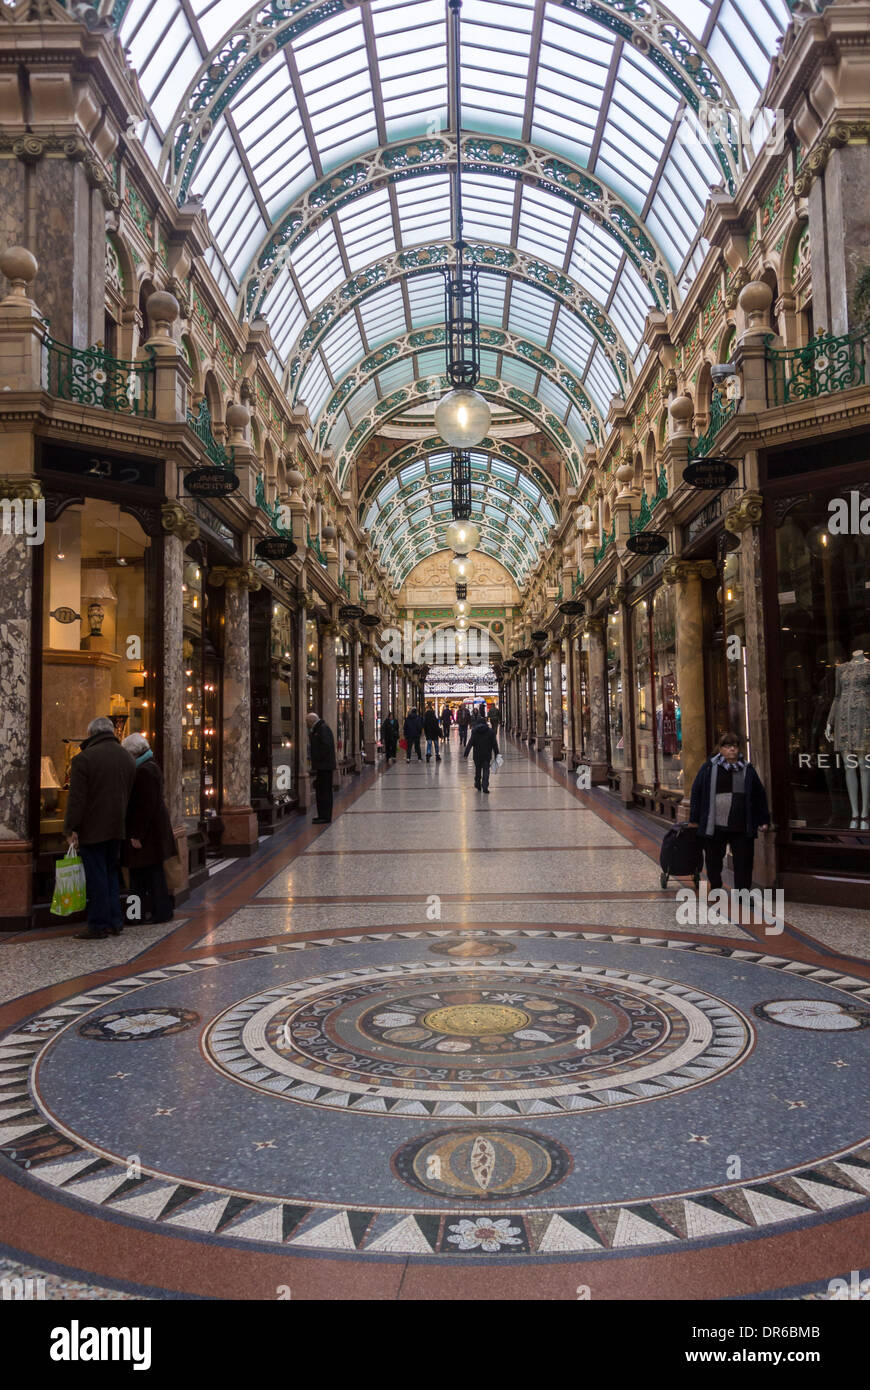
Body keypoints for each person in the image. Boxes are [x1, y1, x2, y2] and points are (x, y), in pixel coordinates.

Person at [63, 715, 136, 940]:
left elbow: (76, 799)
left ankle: (97, 925)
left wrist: (70, 828)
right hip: (116, 827)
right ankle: (115, 921)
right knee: (111, 874)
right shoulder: (127, 757)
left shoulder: (84, 759)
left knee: (96, 878)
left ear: (92, 734)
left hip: (92, 829)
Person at [689, 731, 770, 891]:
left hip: (741, 824)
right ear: (720, 749)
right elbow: (696, 792)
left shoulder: (747, 769)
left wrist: (763, 820)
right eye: (728, 746)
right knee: (713, 859)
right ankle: (716, 884)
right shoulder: (709, 768)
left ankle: (743, 893)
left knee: (744, 861)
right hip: (715, 824)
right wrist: (695, 818)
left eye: (735, 746)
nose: (732, 749)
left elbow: (759, 795)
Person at [121, 733, 176, 925]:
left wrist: (137, 835)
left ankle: (152, 912)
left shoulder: (144, 771)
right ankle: (145, 913)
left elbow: (145, 806)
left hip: (147, 836)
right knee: (147, 874)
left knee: (146, 875)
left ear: (133, 753)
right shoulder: (149, 766)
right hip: (151, 834)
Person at [306, 710, 336, 824]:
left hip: (325, 766)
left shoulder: (322, 729)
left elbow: (326, 746)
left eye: (307, 721)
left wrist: (317, 758)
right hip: (322, 766)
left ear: (311, 721)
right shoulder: (319, 729)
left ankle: (325, 816)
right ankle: (322, 815)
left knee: (325, 791)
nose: (307, 724)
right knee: (321, 791)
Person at [464, 708, 499, 793]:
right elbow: (494, 744)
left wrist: (466, 753)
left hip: (477, 755)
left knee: (478, 770)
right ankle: (485, 787)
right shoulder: (490, 732)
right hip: (487, 755)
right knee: (486, 771)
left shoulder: (475, 732)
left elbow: (470, 743)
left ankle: (477, 783)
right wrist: (497, 754)